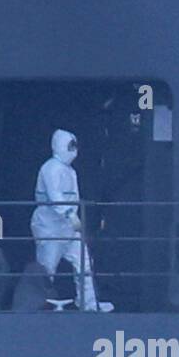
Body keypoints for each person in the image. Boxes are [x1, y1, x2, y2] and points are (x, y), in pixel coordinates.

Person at [30, 130, 113, 312]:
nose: (74, 151)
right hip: (50, 226)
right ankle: (39, 303)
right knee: (47, 267)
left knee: (83, 262)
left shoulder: (70, 171)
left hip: (68, 226)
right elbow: (55, 196)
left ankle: (88, 302)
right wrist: (70, 214)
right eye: (70, 146)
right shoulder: (50, 169)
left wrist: (72, 217)